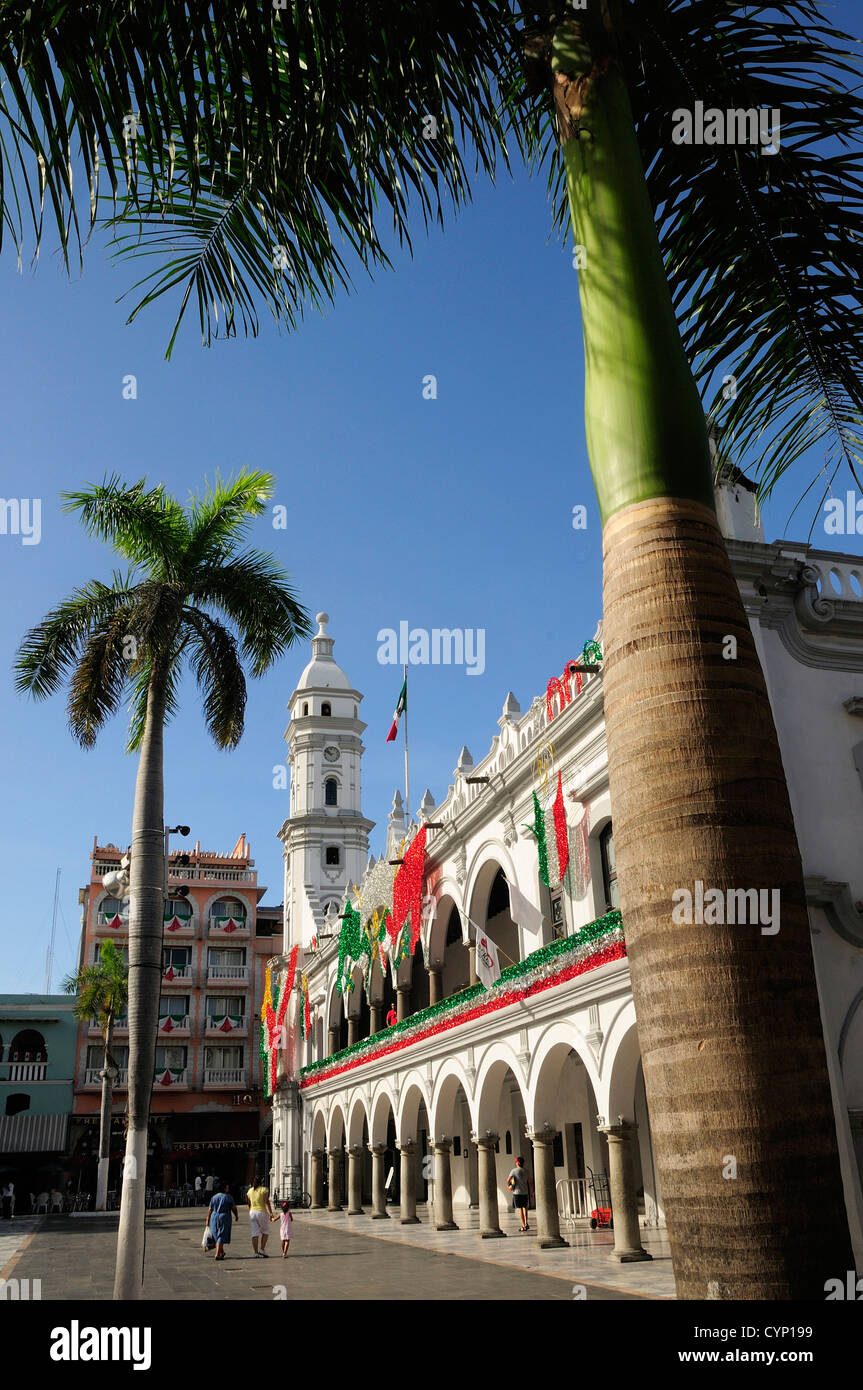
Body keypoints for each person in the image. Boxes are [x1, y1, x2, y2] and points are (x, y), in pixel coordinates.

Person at [206, 1179, 237, 1260]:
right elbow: (233, 1208)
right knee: (221, 1235)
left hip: (214, 1217)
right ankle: (217, 1254)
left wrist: (207, 1220)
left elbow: (210, 1209)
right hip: (224, 1217)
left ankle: (222, 1252)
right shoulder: (228, 1197)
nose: (228, 1189)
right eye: (227, 1188)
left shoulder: (214, 1197)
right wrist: (236, 1216)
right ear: (224, 1189)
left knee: (216, 1235)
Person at [246, 1175, 274, 1257]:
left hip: (252, 1212)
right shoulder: (264, 1189)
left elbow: (248, 1202)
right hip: (261, 1212)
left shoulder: (250, 1191)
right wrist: (271, 1213)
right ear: (261, 1182)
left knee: (254, 1233)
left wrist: (250, 1209)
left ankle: (255, 1252)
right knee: (265, 1231)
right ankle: (262, 1249)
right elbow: (267, 1202)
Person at [507, 1156, 532, 1232]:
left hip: (517, 1193)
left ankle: (523, 1225)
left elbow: (508, 1180)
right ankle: (526, 1223)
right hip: (525, 1192)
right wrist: (532, 1192)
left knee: (520, 1209)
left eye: (516, 1162)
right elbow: (530, 1182)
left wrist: (509, 1186)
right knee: (525, 1208)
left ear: (517, 1163)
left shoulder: (514, 1171)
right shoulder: (526, 1171)